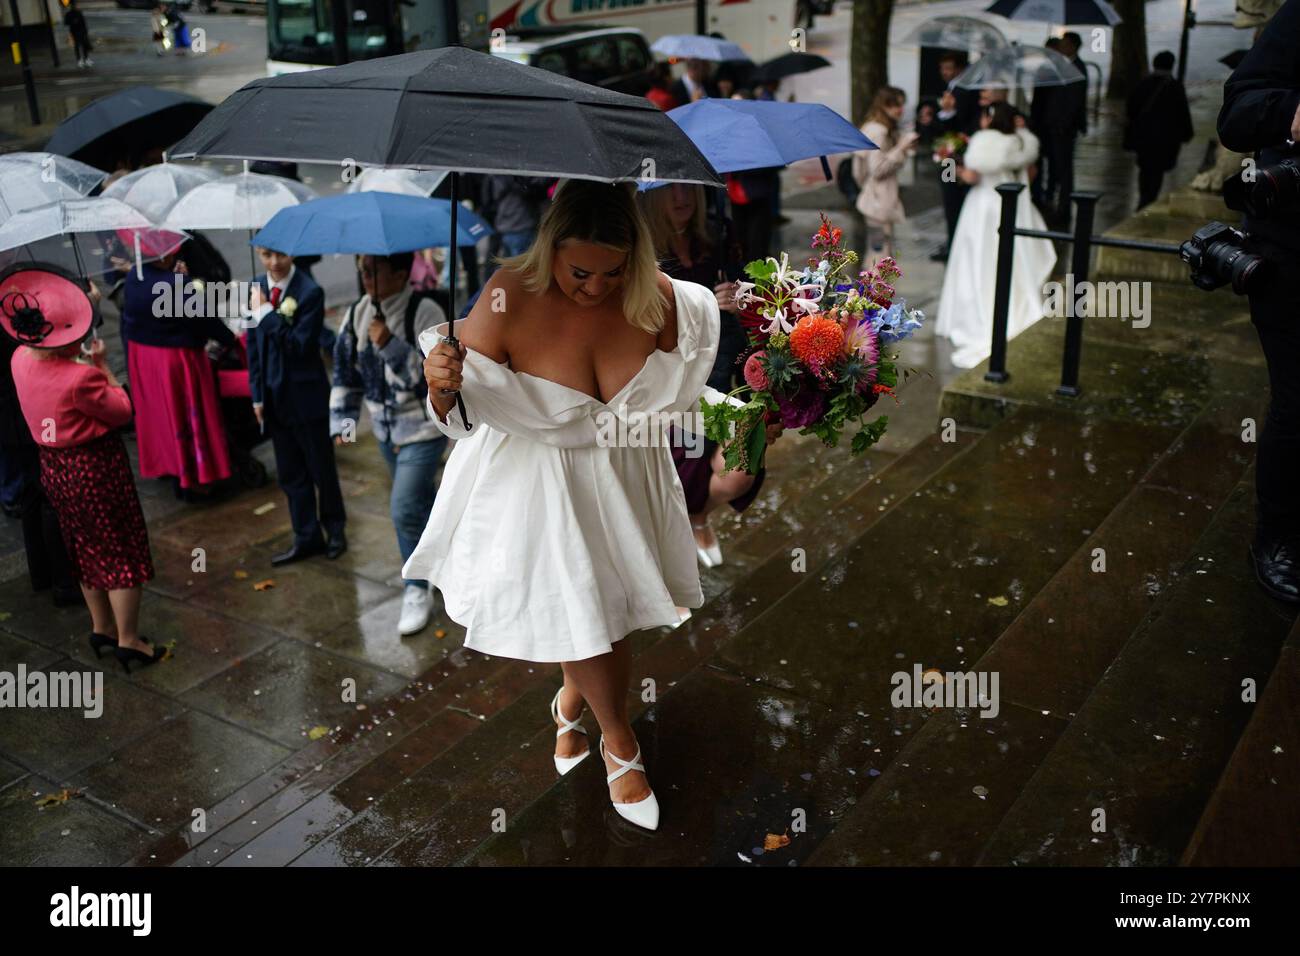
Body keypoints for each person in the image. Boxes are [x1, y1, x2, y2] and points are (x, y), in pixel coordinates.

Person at [407, 179, 748, 831]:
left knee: (605, 615)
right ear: (549, 248)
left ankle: (571, 701)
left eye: (613, 272)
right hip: (539, 484)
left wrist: (748, 410)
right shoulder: (508, 293)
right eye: (579, 271)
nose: (595, 287)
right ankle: (620, 745)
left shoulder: (664, 299)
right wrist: (442, 390)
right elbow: (460, 420)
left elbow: (680, 392)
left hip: (626, 475)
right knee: (595, 615)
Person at [1, 266, 163, 673]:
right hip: (94, 466)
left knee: (85, 548)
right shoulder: (80, 378)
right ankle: (129, 641)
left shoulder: (20, 358)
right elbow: (123, 410)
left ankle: (101, 628)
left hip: (54, 467)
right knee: (120, 549)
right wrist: (105, 367)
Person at [636, 182, 780, 569]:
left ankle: (697, 516)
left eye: (690, 188)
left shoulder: (718, 233)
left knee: (738, 472)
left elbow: (752, 296)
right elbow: (638, 331)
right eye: (670, 190)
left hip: (727, 367)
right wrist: (698, 310)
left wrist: (741, 299)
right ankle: (678, 534)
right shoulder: (640, 251)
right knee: (684, 469)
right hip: (676, 383)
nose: (682, 197)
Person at [1218, 0, 1300, 603]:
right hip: (1293, 256)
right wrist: (1294, 114)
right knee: (1299, 401)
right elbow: (1238, 112)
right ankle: (1277, 535)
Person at [330, 253, 448, 636]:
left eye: (373, 270)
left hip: (422, 432)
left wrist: (389, 344)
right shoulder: (357, 314)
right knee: (421, 504)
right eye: (361, 269)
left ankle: (416, 587)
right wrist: (344, 422)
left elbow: (431, 381)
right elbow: (345, 372)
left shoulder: (424, 311)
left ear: (400, 273)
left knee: (402, 509)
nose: (364, 276)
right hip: (384, 434)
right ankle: (448, 560)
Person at [935, 102, 1057, 369]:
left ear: (989, 119)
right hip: (1018, 206)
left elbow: (971, 177)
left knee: (981, 260)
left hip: (985, 208)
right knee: (1013, 258)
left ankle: (980, 311)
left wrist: (949, 161)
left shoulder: (983, 141)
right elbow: (1032, 174)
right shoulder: (1022, 142)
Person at [248, 246, 347, 566]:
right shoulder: (254, 289)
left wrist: (266, 315)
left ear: (291, 254)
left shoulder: (309, 292)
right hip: (274, 400)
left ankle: (335, 531)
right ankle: (306, 537)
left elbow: (300, 345)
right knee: (291, 475)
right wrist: (257, 396)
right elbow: (254, 348)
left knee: (322, 470)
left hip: (307, 398)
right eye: (266, 255)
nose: (274, 263)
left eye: (280, 255)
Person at [121, 251, 235, 498]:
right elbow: (204, 320)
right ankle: (195, 480)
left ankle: (171, 467)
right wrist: (231, 339)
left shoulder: (133, 277)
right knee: (187, 416)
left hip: (144, 359)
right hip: (176, 359)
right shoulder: (176, 284)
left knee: (163, 417)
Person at [852, 86, 920, 266]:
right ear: (883, 105)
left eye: (901, 104)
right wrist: (901, 148)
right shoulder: (879, 132)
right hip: (878, 201)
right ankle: (873, 290)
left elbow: (860, 169)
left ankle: (873, 288)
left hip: (874, 198)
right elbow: (878, 169)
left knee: (878, 247)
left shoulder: (872, 127)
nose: (900, 109)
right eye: (894, 104)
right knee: (879, 251)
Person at [1125, 51, 1195, 210]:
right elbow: (1182, 113)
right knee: (1156, 173)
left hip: (1144, 138)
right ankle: (1148, 200)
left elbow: (1131, 109)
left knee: (1145, 170)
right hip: (1165, 140)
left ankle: (1144, 198)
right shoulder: (1175, 86)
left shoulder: (1143, 84)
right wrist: (1186, 134)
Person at [933, 52, 980, 261]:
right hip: (950, 156)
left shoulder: (963, 90)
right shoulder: (954, 88)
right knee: (951, 199)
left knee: (952, 198)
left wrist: (947, 112)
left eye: (949, 68)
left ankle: (954, 244)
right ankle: (952, 241)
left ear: (960, 68)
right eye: (943, 68)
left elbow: (956, 125)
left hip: (953, 159)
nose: (945, 73)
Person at [478, 175, 551, 282]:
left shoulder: (497, 177)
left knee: (510, 269)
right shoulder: (517, 179)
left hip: (505, 225)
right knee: (520, 272)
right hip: (520, 225)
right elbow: (533, 191)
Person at [63, 0, 93, 68]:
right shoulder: (69, 14)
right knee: (77, 46)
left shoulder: (79, 13)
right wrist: (72, 22)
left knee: (84, 45)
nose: (74, 6)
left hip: (81, 31)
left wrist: (86, 31)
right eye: (73, 5)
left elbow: (83, 22)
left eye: (75, 5)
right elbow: (66, 23)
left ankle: (86, 59)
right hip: (74, 32)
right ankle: (80, 60)